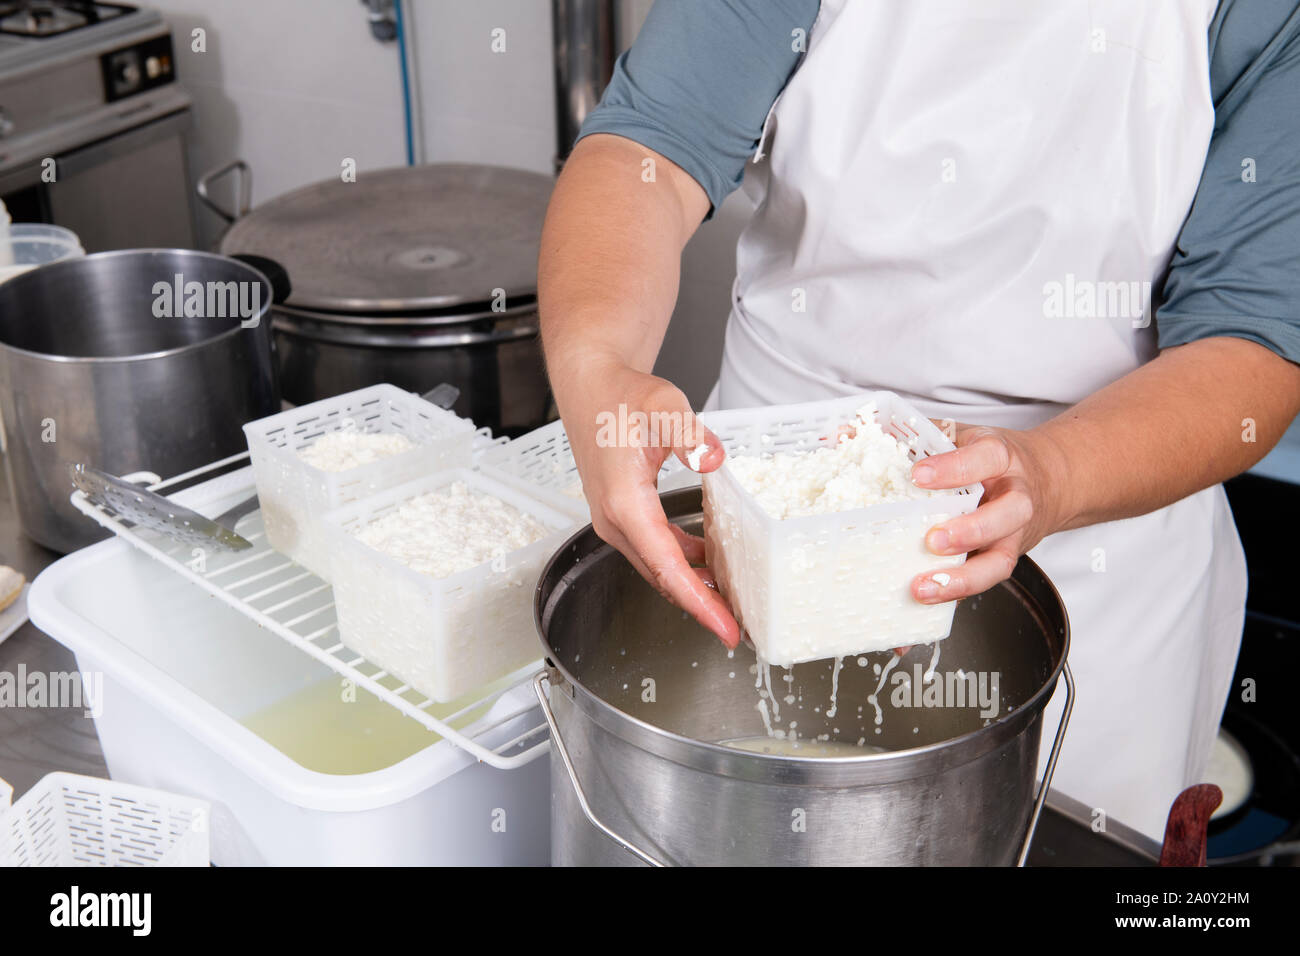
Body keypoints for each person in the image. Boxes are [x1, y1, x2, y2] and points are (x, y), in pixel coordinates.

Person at [537, 0, 1300, 841]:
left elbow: (1255, 340)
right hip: (773, 506)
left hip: (1099, 534)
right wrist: (596, 366)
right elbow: (647, 147)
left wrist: (1051, 475)